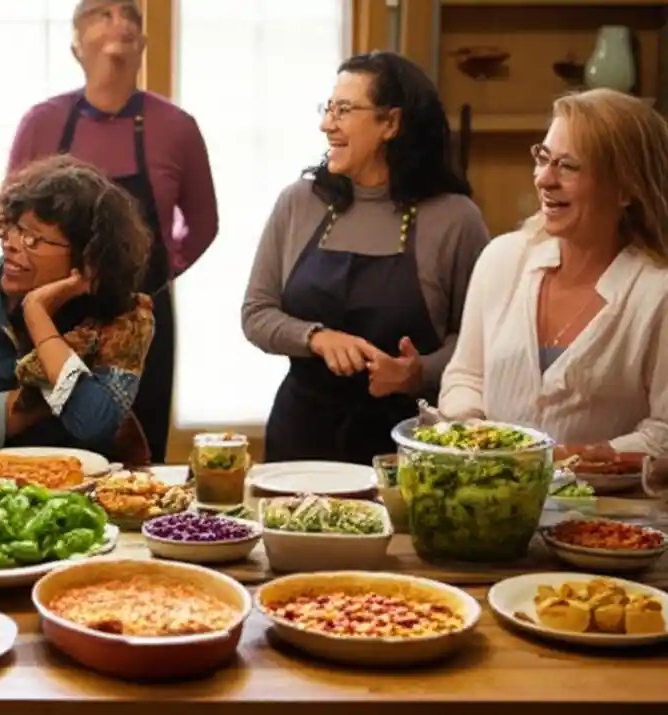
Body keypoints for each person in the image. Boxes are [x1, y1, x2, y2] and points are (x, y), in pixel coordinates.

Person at [242, 51, 489, 465]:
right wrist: (317, 338)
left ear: (391, 123)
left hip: (407, 445)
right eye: (328, 108)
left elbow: (480, 341)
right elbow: (256, 312)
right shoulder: (299, 202)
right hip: (302, 431)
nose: (326, 123)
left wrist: (417, 372)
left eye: (344, 109)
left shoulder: (455, 219)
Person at [5, 0, 217, 463]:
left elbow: (203, 224)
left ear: (143, 44)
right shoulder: (42, 122)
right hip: (54, 313)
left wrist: (147, 275)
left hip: (140, 313)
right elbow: (9, 215)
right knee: (50, 450)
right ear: (76, 46)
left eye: (130, 14)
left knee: (140, 451)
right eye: (102, 12)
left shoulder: (177, 127)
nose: (119, 21)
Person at [441, 89, 668, 458]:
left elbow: (664, 434)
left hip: (609, 510)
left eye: (568, 166)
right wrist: (472, 433)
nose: (544, 179)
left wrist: (562, 459)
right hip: (491, 499)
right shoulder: (501, 259)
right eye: (543, 158)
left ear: (626, 188)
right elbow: (466, 376)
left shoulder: (656, 290)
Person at [0, 155, 155, 467]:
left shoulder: (124, 318)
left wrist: (37, 315)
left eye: (34, 239)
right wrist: (25, 407)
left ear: (87, 257)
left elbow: (90, 425)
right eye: (14, 228)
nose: (11, 244)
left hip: (89, 491)